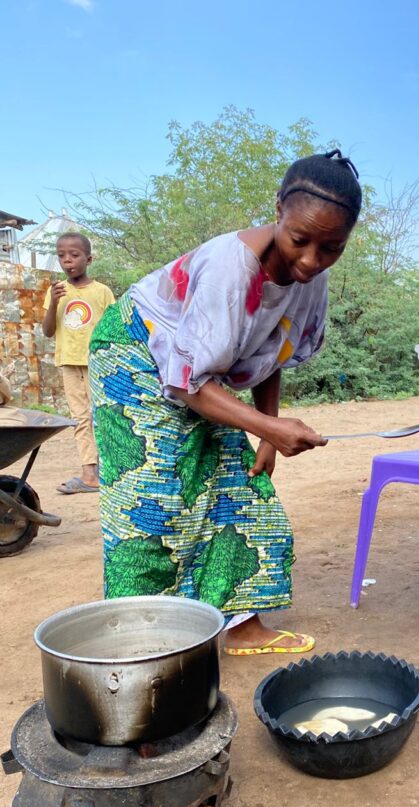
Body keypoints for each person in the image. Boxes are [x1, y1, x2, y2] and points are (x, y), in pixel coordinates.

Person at [88, 150, 362, 656]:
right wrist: (268, 425)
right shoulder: (229, 270)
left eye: (331, 248)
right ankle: (139, 637)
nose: (311, 260)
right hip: (135, 353)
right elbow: (190, 385)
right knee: (153, 495)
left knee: (239, 482)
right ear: (278, 209)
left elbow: (273, 352)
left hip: (198, 375)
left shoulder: (310, 280)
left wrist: (267, 432)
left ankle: (240, 624)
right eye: (300, 240)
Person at [42, 233, 114, 493]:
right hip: (69, 363)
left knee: (104, 414)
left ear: (89, 258)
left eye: (74, 255)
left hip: (98, 363)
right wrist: (54, 303)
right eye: (61, 255)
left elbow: (112, 328)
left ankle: (113, 470)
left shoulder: (101, 292)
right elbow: (48, 331)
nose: (67, 261)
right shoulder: (57, 292)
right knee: (80, 418)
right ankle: (89, 474)